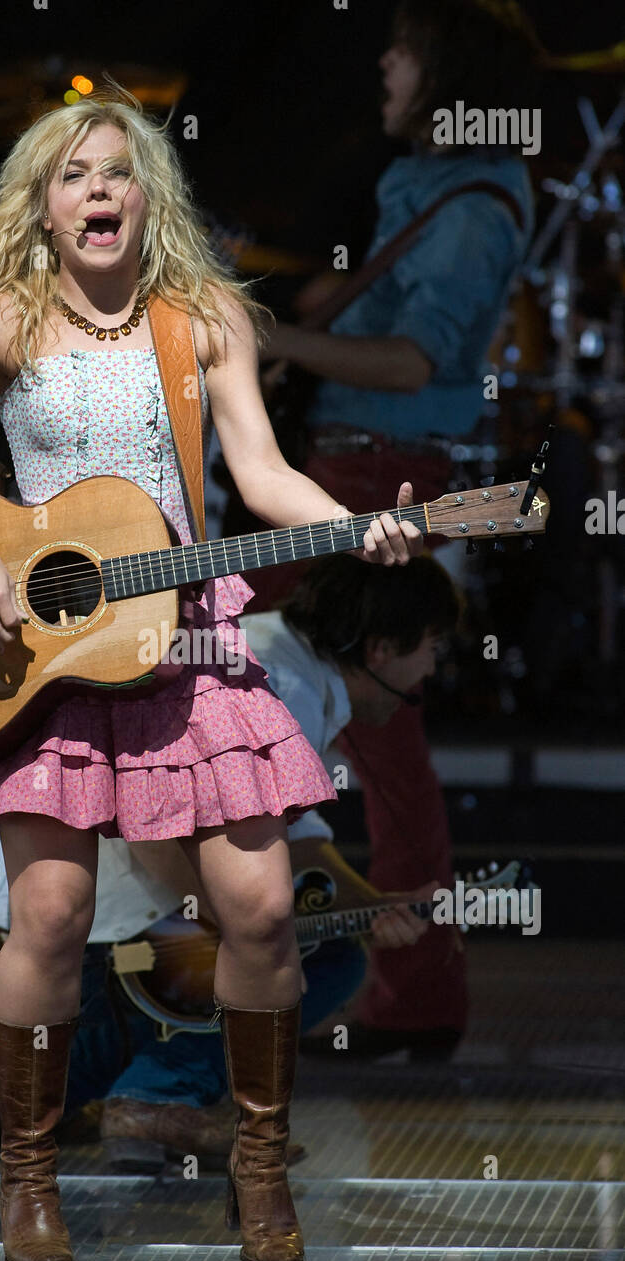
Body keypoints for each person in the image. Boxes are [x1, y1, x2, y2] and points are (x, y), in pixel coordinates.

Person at [0, 82, 423, 1261]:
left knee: (262, 908)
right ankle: (28, 1177)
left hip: (185, 647)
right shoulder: (3, 320)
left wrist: (349, 523)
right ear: (44, 208)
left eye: (116, 170)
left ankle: (257, 1165)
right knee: (50, 919)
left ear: (144, 192)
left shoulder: (200, 315)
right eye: (73, 176)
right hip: (50, 660)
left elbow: (260, 475)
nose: (97, 189)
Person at [233, 0, 540, 1056]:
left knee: (324, 714)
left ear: (450, 75)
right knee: (300, 708)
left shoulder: (470, 206)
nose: (383, 61)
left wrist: (283, 342)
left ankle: (402, 987)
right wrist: (292, 324)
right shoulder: (431, 193)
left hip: (377, 480)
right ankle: (392, 982)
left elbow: (415, 362)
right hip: (352, 469)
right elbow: (372, 312)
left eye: (403, 50)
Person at [0, 553, 460, 1167]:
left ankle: (48, 1093)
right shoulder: (285, 685)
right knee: (307, 959)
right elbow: (149, 833)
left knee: (284, 944)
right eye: (433, 647)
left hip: (22, 889)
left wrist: (369, 908)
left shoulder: (274, 651)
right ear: (383, 649)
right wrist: (239, 937)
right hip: (77, 911)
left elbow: (294, 840)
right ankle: (150, 1098)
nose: (434, 668)